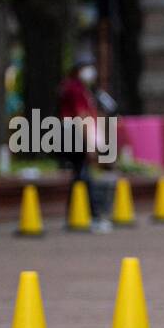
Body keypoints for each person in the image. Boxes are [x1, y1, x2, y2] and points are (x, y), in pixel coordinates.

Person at [57, 53, 111, 232]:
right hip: (75, 134)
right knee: (84, 175)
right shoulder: (76, 89)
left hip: (70, 133)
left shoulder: (75, 87)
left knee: (79, 175)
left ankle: (73, 215)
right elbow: (82, 117)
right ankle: (94, 216)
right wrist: (89, 145)